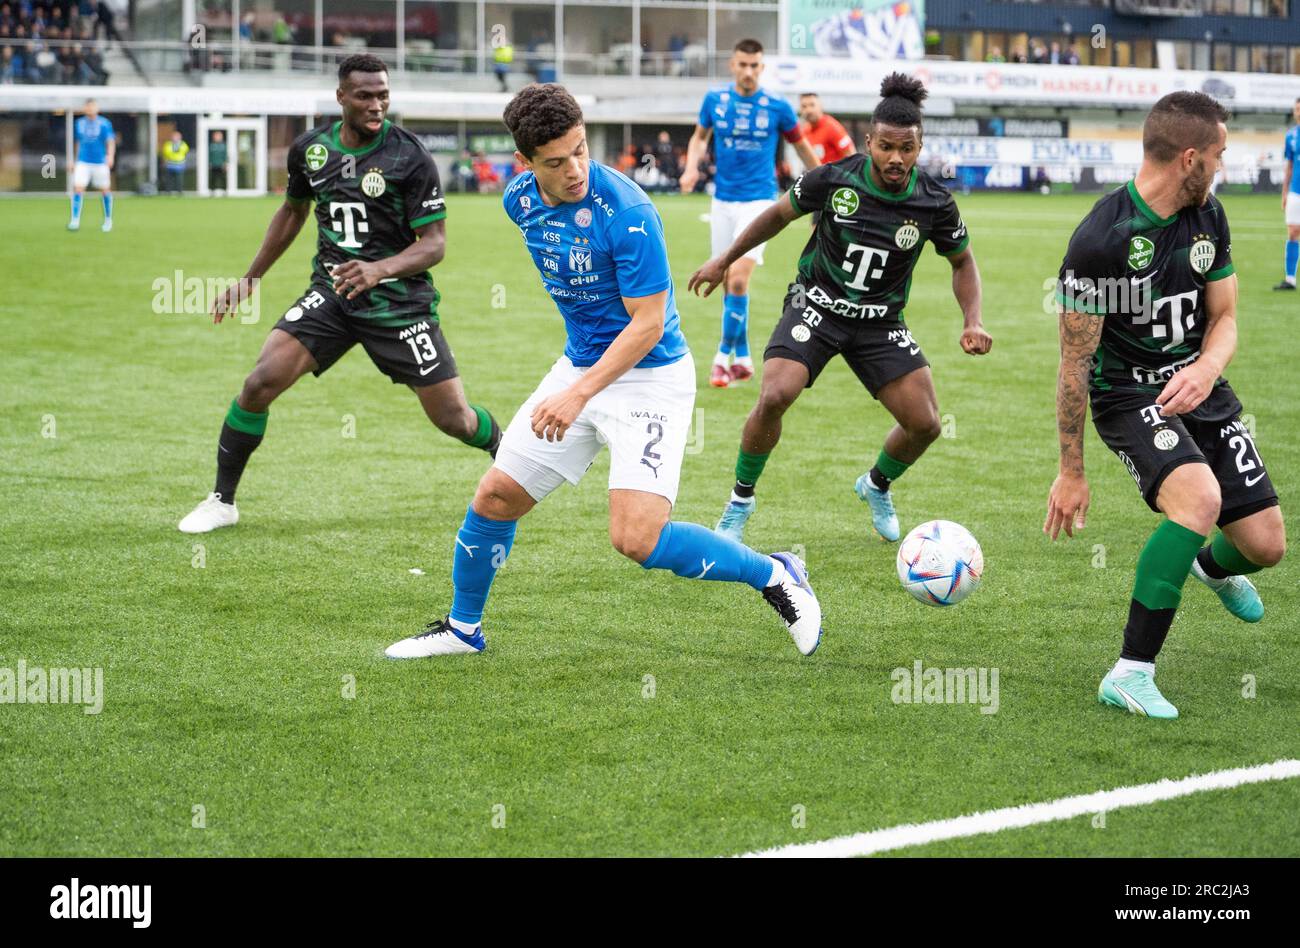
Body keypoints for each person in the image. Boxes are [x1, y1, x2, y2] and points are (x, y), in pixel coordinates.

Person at [383, 83, 823, 660]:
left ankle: (774, 573)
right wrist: (577, 381)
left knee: (636, 539)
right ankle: (463, 629)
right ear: (525, 164)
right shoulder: (519, 201)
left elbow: (645, 325)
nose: (575, 171)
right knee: (495, 497)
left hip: (651, 376)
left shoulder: (630, 213)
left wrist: (577, 395)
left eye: (582, 150)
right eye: (556, 162)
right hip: (582, 368)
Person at [178, 54, 502, 533]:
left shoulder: (409, 157)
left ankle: (509, 452)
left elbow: (433, 245)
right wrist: (250, 278)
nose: (377, 105)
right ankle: (222, 501)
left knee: (454, 419)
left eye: (383, 95)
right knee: (259, 383)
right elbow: (292, 212)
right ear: (342, 97)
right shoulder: (311, 150)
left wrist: (378, 271)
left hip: (398, 304)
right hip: (331, 295)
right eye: (366, 96)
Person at [1047, 92, 1286, 719]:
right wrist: (1072, 470)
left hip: (1199, 386)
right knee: (1200, 500)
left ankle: (1207, 567)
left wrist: (1207, 368)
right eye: (1219, 155)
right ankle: (1130, 672)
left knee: (1264, 546)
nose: (1223, 166)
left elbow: (1226, 317)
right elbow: (1074, 366)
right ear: (1189, 159)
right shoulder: (1101, 241)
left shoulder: (1209, 215)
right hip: (1128, 396)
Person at [690, 74, 990, 545]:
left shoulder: (934, 202)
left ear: (919, 145)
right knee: (774, 396)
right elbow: (775, 216)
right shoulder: (833, 179)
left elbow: (962, 261)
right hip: (816, 305)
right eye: (887, 146)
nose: (896, 158)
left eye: (907, 148)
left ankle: (876, 485)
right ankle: (740, 500)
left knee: (926, 424)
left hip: (880, 322)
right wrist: (723, 259)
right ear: (869, 141)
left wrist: (972, 319)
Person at [680, 39, 820, 389]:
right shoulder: (715, 100)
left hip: (760, 202)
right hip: (722, 202)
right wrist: (691, 168)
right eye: (742, 64)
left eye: (754, 65)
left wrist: (826, 183)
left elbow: (801, 146)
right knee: (726, 278)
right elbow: (699, 138)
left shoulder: (777, 106)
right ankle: (742, 355)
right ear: (732, 65)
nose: (748, 71)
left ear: (762, 67)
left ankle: (721, 358)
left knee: (738, 277)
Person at [68, 98, 114, 232]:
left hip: (100, 162)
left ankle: (108, 220)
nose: (90, 109)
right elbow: (78, 142)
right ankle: (75, 220)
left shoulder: (105, 123)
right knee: (78, 189)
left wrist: (110, 156)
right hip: (83, 161)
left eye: (92, 107)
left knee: (105, 190)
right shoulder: (79, 123)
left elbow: (110, 141)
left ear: (97, 109)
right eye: (88, 107)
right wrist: (74, 160)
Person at [1274, 97, 1300, 290]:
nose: (1298, 112)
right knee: (1292, 232)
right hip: (1295, 191)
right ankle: (1290, 278)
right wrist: (1284, 192)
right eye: (1296, 109)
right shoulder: (1291, 136)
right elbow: (1289, 166)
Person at [161, 129, 189, 195]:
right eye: (174, 136)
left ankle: (180, 192)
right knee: (169, 180)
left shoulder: (183, 144)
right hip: (170, 165)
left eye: (176, 136)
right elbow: (165, 153)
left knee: (179, 180)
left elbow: (185, 152)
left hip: (179, 165)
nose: (175, 138)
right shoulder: (168, 144)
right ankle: (168, 192)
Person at [208, 129, 228, 194]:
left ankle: (225, 191)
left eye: (219, 136)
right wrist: (209, 163)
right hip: (214, 164)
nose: (217, 137)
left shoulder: (223, 145)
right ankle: (212, 191)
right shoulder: (211, 145)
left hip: (221, 165)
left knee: (223, 179)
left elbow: (225, 155)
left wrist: (225, 164)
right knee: (213, 179)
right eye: (216, 136)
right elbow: (209, 155)